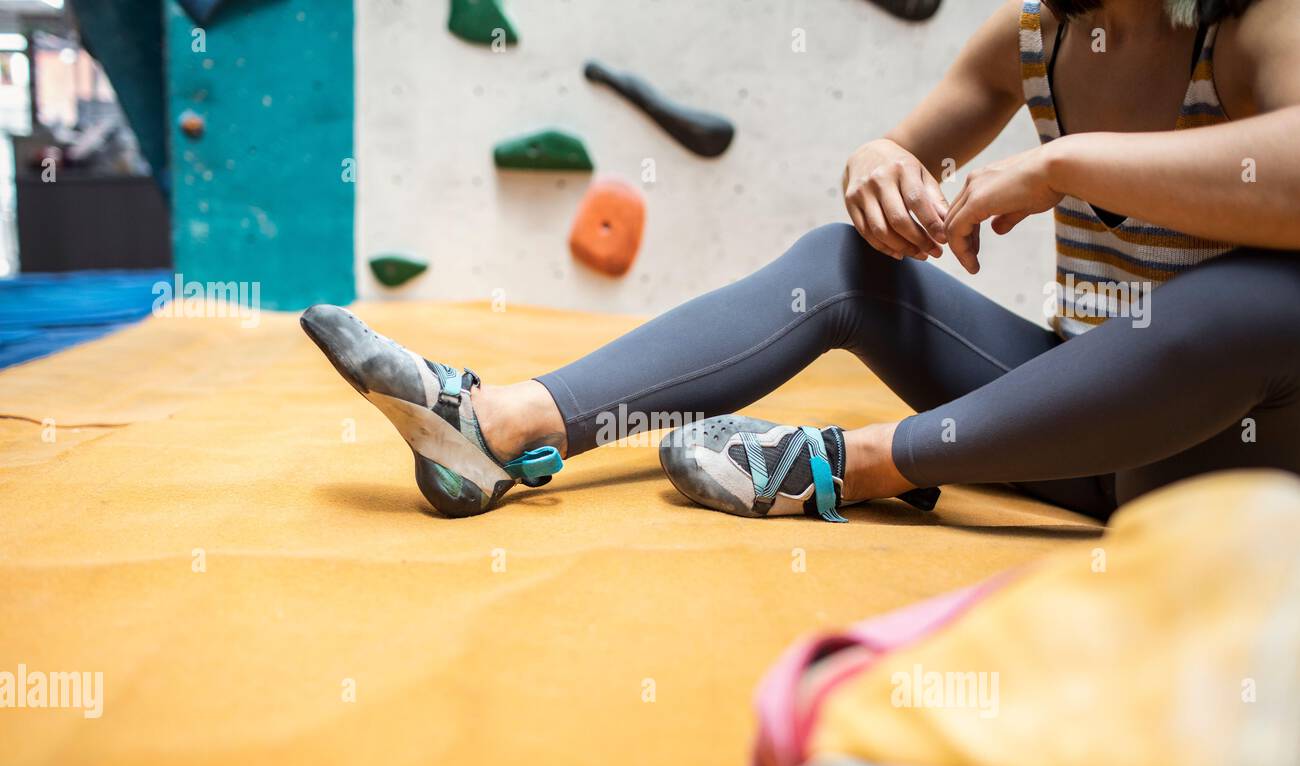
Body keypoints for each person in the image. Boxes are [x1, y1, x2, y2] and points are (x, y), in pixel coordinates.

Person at [302, 0, 1300, 521]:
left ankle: (852, 467)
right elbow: (900, 157)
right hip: (1079, 446)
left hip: (1236, 459)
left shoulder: (1253, 24)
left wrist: (1058, 166)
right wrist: (876, 164)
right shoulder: (1034, 33)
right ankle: (499, 427)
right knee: (838, 263)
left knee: (1262, 297)